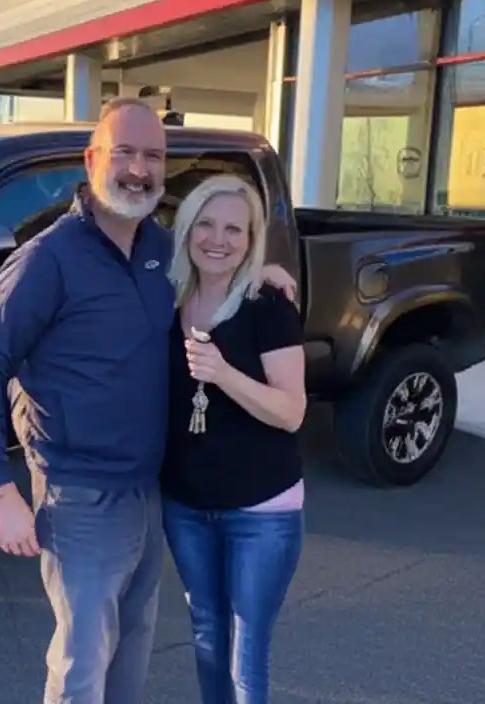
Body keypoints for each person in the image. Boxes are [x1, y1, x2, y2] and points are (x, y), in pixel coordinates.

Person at [0, 96, 296, 703]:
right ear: (92, 160)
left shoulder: (161, 250)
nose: (139, 169)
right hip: (79, 496)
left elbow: (216, 263)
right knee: (82, 663)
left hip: (149, 494)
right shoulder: (48, 260)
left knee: (131, 655)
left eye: (153, 156)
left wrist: (261, 270)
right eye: (125, 153)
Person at [159, 173, 307, 704]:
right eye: (206, 224)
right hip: (186, 505)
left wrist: (222, 374)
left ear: (251, 241)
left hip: (262, 511)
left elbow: (292, 411)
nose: (218, 240)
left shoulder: (267, 304)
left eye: (234, 230)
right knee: (205, 631)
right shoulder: (168, 296)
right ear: (186, 229)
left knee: (247, 651)